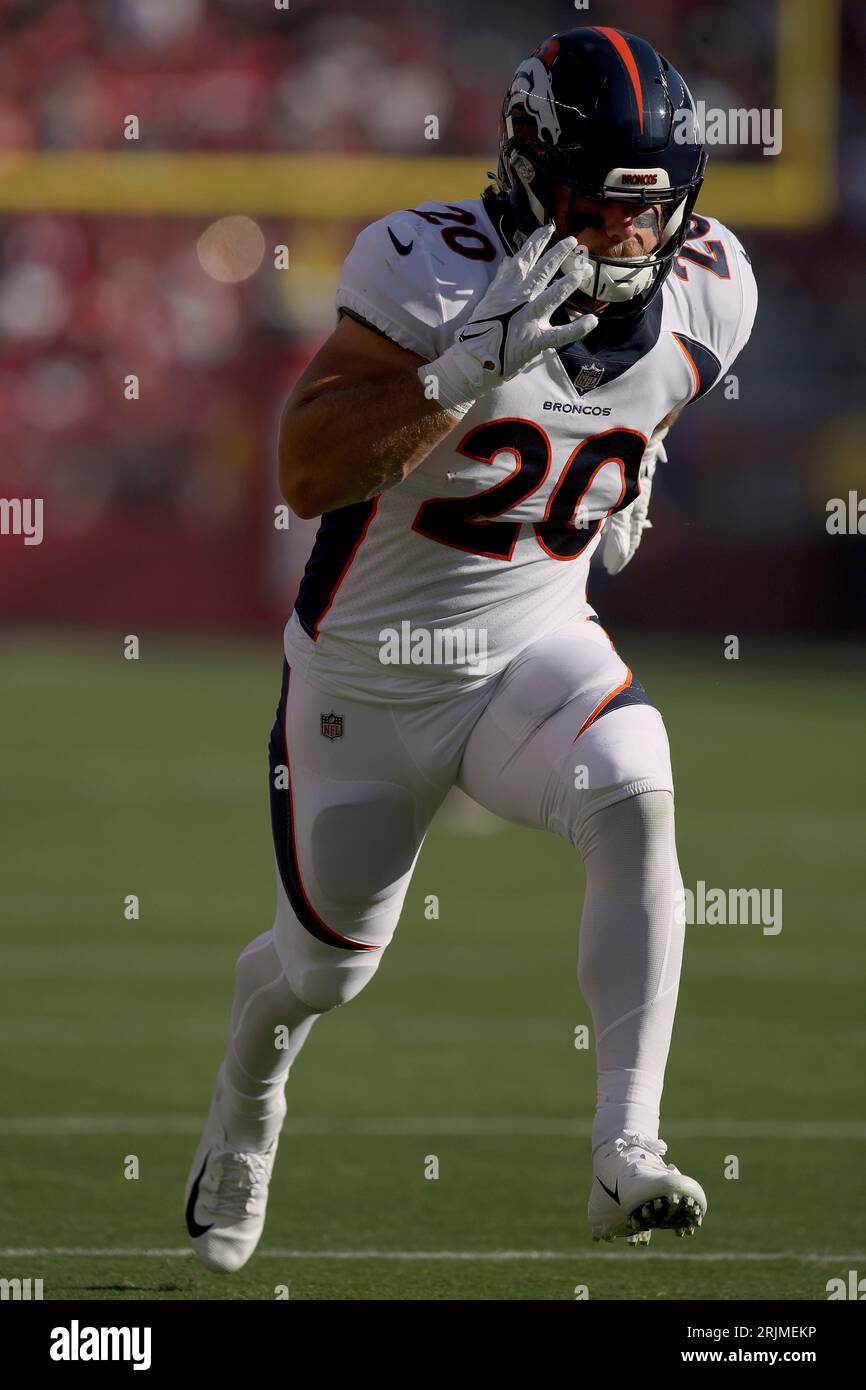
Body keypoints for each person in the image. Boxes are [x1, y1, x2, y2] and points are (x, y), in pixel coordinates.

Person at [185, 25, 757, 1272]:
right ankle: (246, 1101)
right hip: (365, 684)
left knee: (636, 785)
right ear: (528, 179)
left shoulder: (713, 284)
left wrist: (633, 460)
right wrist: (459, 370)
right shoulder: (426, 267)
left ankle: (624, 1146)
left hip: (532, 647)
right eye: (597, 209)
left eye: (648, 210)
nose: (627, 239)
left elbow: (652, 390)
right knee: (321, 974)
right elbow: (306, 472)